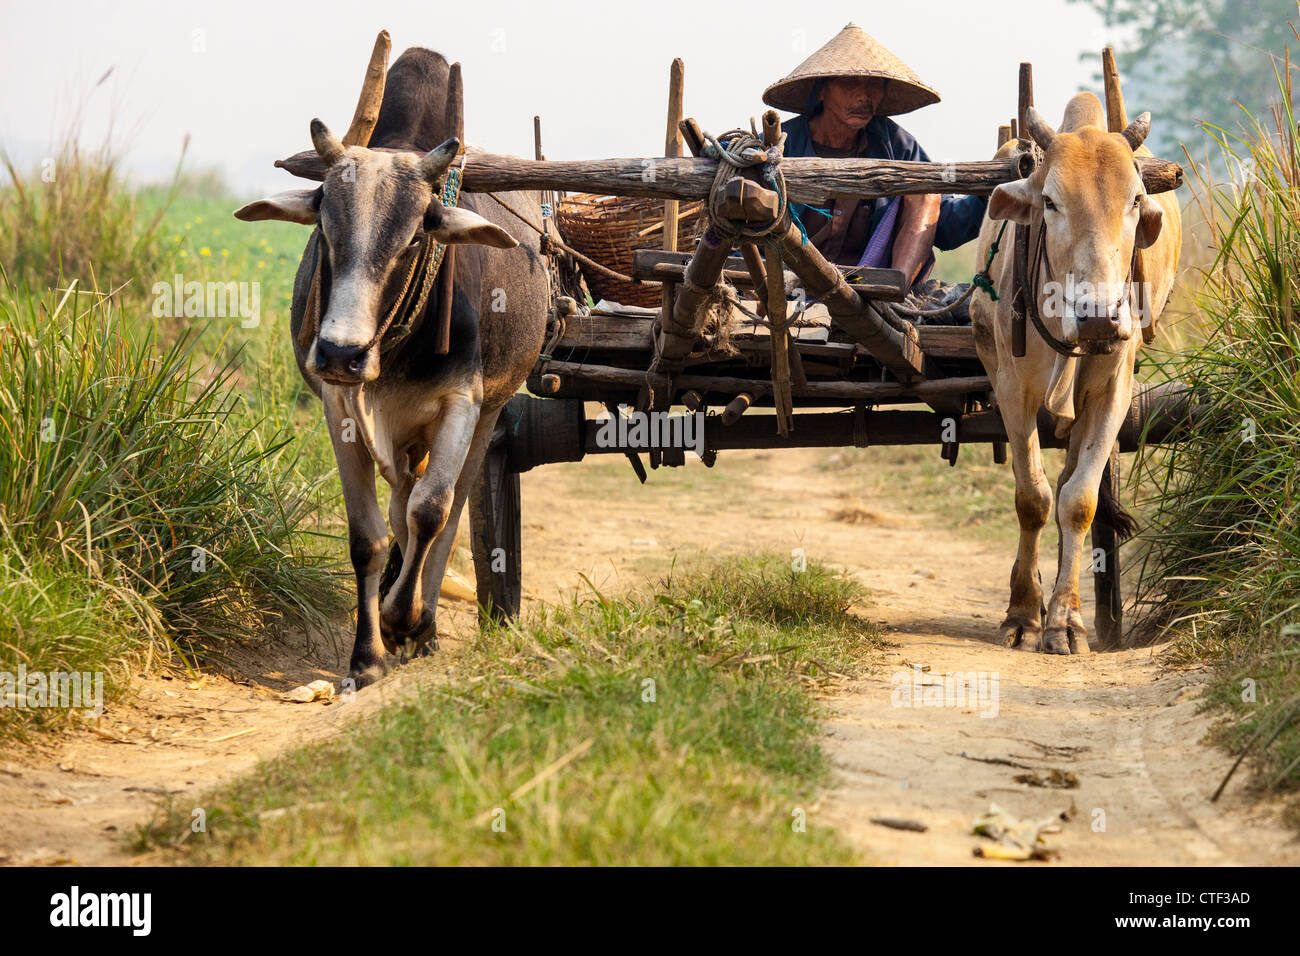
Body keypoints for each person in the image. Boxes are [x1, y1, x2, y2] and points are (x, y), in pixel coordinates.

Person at [763, 23, 987, 291]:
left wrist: (992, 192)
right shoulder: (781, 144)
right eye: (850, 83)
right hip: (786, 281)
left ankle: (895, 292)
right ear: (821, 90)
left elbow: (945, 225)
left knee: (926, 191)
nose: (863, 96)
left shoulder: (895, 145)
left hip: (861, 286)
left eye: (873, 84)